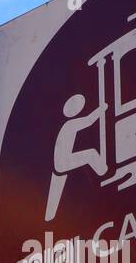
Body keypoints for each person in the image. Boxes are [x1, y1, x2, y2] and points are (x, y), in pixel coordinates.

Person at [44, 94, 105, 222]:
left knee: (53, 199)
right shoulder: (70, 124)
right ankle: (104, 172)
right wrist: (102, 108)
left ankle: (49, 216)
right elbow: (89, 121)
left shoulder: (65, 126)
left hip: (59, 164)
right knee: (91, 154)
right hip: (64, 162)